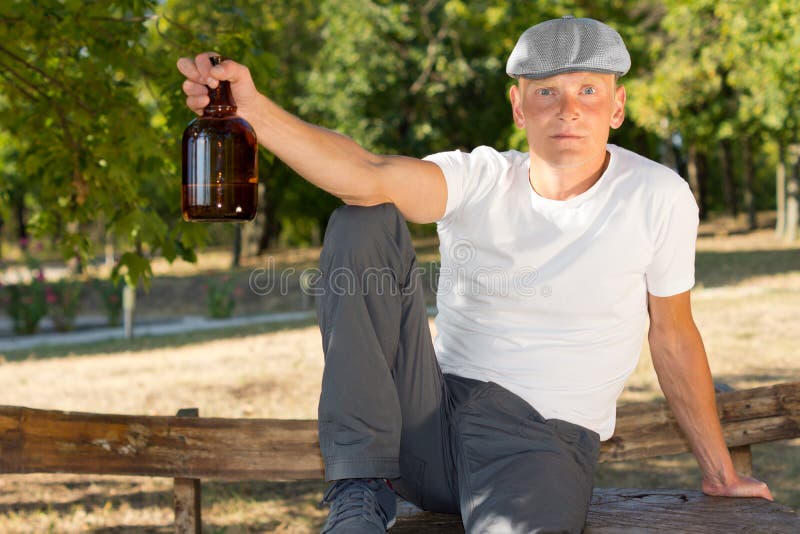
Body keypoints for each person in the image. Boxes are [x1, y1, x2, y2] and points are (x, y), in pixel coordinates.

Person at [178, 15, 773, 534]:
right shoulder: (482, 177)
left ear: (617, 106)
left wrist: (720, 474)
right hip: (426, 425)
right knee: (363, 217)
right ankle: (360, 488)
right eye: (546, 91)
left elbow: (673, 335)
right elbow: (367, 170)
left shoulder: (657, 196)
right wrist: (251, 109)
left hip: (540, 443)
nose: (568, 108)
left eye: (588, 90)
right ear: (518, 106)